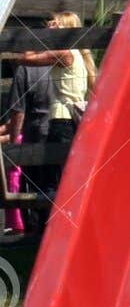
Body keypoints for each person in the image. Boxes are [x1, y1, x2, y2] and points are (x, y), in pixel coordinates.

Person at [5, 12, 96, 203]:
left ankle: (47, 226)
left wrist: (38, 38)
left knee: (51, 180)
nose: (48, 27)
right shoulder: (77, 54)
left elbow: (26, 58)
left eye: (54, 25)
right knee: (61, 175)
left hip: (61, 120)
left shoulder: (64, 53)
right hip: (71, 120)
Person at [2, 59, 52, 236]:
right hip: (58, 128)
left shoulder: (24, 70)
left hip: (33, 133)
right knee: (52, 181)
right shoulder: (56, 66)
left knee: (29, 184)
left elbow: (18, 112)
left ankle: (32, 229)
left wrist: (15, 146)